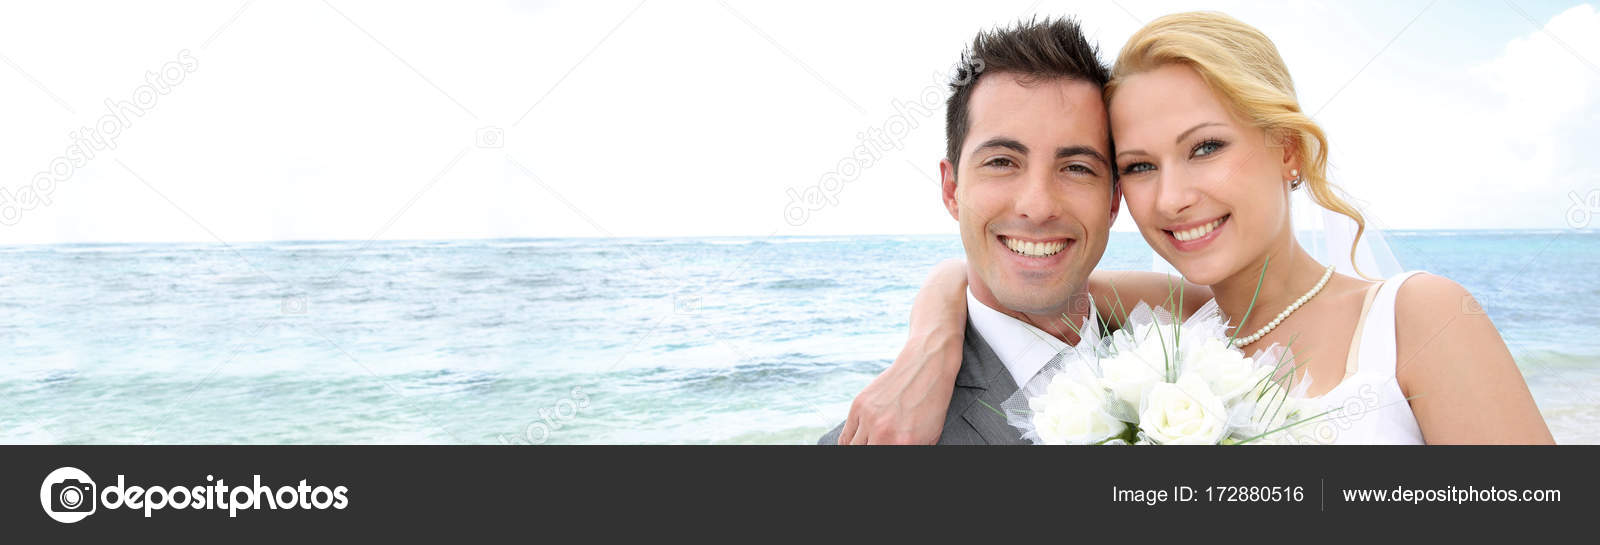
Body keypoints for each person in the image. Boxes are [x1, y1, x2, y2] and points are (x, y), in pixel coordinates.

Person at [836, 11, 1553, 445]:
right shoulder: (1171, 321)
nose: (1173, 197)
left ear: (1288, 149)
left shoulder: (1417, 318)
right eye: (1141, 165)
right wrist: (928, 351)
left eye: (1205, 147)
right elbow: (1007, 278)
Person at [818, 16, 1207, 445]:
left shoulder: (1198, 354)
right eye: (1002, 162)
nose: (1038, 207)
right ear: (951, 189)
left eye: (1076, 168)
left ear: (1113, 201)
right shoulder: (881, 437)